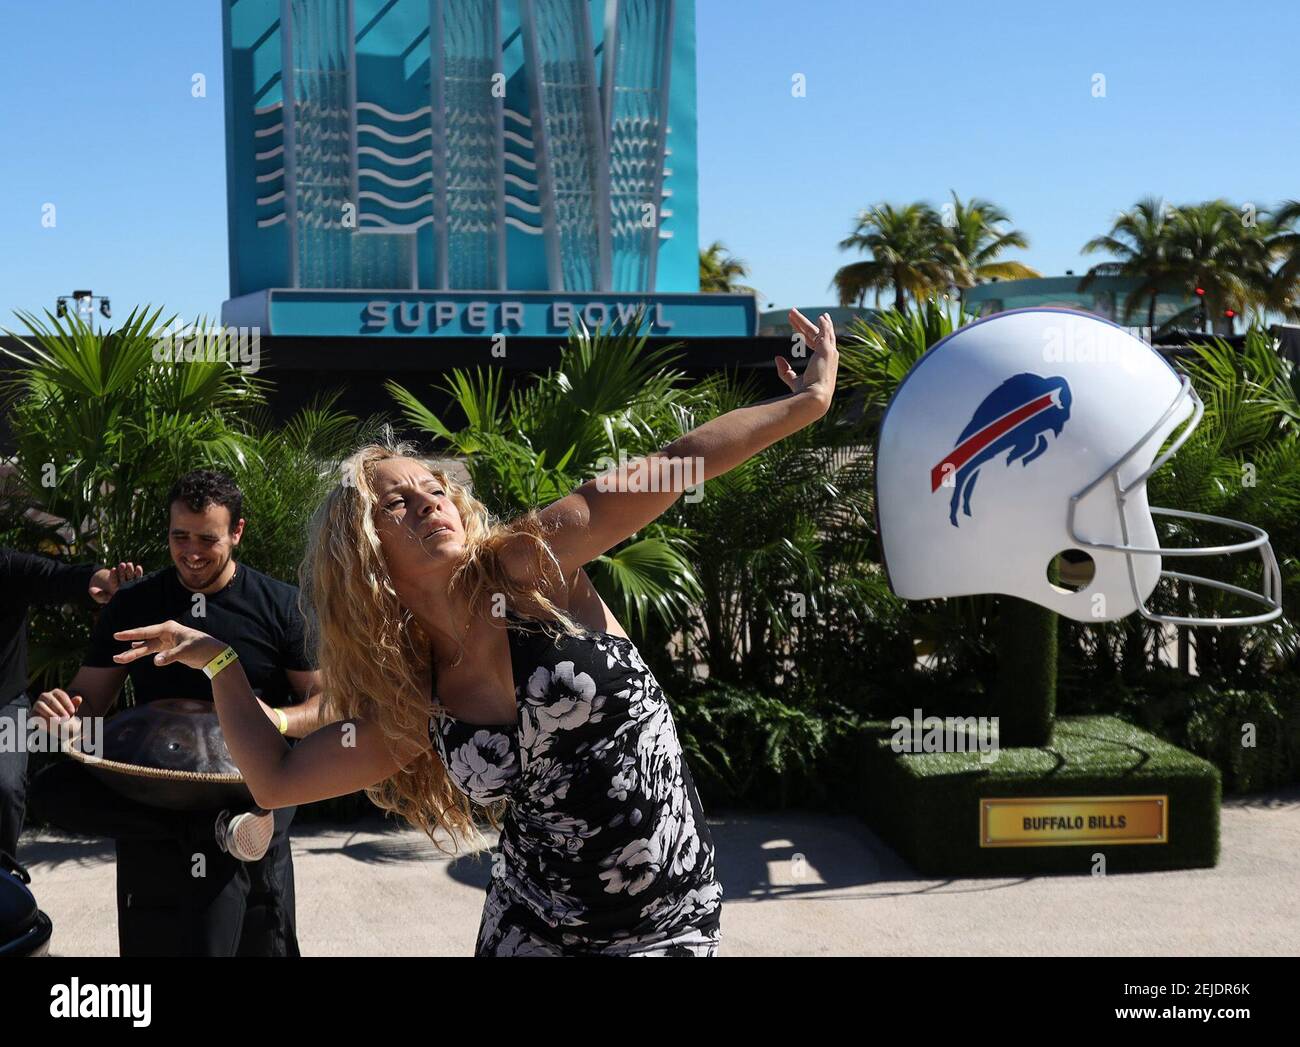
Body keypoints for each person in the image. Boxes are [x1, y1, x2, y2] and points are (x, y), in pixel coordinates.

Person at [110, 310, 839, 956]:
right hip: (531, 923)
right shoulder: (418, 701)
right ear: (367, 554)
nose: (431, 501)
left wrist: (806, 403)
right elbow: (274, 777)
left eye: (434, 486)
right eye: (399, 500)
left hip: (665, 921)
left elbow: (673, 467)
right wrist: (221, 660)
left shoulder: (529, 565)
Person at [29, 470, 326, 956]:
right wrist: (61, 713)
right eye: (179, 536)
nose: (191, 552)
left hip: (244, 790)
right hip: (156, 793)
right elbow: (86, 704)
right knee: (51, 791)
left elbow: (327, 705)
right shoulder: (134, 604)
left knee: (247, 935)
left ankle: (224, 831)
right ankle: (202, 831)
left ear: (237, 532)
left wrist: (278, 720)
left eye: (207, 539)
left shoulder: (281, 605)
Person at [0, 549, 141, 862]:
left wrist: (99, 579)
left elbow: (53, 575)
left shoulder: (5, 565)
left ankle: (5, 883)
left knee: (4, 786)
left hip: (4, 704)